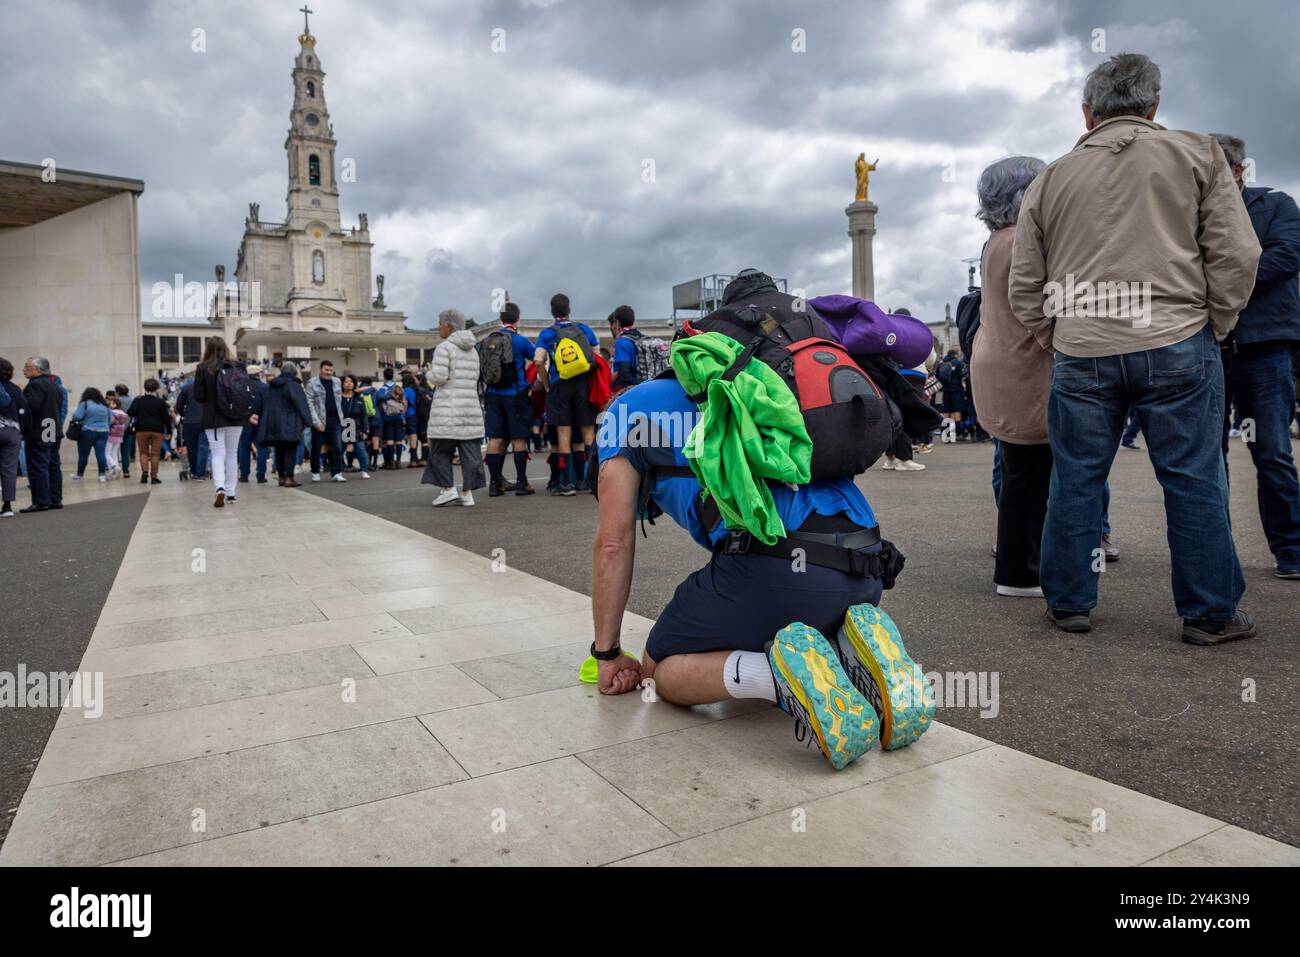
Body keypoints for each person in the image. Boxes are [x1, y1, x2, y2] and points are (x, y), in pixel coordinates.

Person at [591, 274, 929, 771]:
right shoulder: (776, 382)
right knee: (766, 607)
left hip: (778, 567)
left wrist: (606, 655)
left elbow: (613, 545)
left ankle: (778, 677)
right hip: (866, 562)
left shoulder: (629, 411)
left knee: (662, 672)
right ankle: (853, 658)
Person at [1008, 53, 1261, 644]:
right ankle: (1209, 612)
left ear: (1088, 112)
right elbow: (1237, 254)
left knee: (1075, 479)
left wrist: (1061, 333)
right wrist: (1213, 321)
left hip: (1084, 344)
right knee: (1195, 478)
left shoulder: (1051, 177)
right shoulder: (1197, 154)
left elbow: (1025, 283)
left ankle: (1070, 601)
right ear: (1153, 106)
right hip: (1175, 336)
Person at [1211, 133, 1300, 580]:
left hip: (1264, 348)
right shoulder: (1190, 212)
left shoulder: (1277, 204)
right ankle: (1216, 554)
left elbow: (1287, 258)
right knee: (1210, 458)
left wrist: (1220, 284)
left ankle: (1291, 550)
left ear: (1239, 170)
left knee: (1273, 454)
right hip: (1210, 347)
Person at [968, 156, 1051, 597]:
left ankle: (1019, 564)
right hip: (1025, 365)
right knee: (1032, 473)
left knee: (1020, 470)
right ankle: (1022, 572)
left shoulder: (995, 240)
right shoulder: (1024, 240)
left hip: (998, 362)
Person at [534, 293, 600, 495]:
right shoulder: (584, 329)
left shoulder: (547, 333)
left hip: (559, 384)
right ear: (569, 308)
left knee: (564, 432)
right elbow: (596, 357)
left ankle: (566, 483)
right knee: (588, 432)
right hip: (582, 384)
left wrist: (546, 384)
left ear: (552, 311)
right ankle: (589, 480)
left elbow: (538, 361)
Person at [424, 308, 486, 506]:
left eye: (440, 323)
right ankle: (467, 493)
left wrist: (428, 374)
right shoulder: (473, 350)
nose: (439, 327)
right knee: (470, 451)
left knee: (440, 449)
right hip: (469, 407)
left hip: (448, 407)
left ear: (449, 325)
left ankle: (448, 488)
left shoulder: (444, 348)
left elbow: (440, 377)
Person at [481, 302, 536, 496]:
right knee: (518, 438)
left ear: (501, 319)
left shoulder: (488, 340)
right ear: (517, 319)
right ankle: (522, 482)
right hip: (515, 394)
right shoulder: (520, 341)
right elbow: (538, 357)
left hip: (493, 394)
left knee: (495, 438)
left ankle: (495, 483)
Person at [191, 336, 250, 507]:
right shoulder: (237, 366)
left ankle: (220, 488)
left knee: (217, 453)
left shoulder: (203, 368)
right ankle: (231, 492)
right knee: (232, 453)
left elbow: (198, 396)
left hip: (213, 418)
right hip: (235, 416)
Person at [256, 362, 312, 488]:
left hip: (273, 422)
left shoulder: (272, 386)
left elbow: (266, 403)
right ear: (294, 373)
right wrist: (308, 421)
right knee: (290, 449)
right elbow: (301, 404)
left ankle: (281, 477)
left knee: (279, 449)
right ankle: (289, 477)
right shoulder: (294, 385)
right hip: (290, 422)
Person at [20, 357, 63, 513]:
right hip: (52, 428)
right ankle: (55, 499)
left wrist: (21, 399)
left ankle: (41, 501)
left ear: (38, 369)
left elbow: (32, 405)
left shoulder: (35, 385)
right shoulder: (54, 385)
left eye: (27, 366)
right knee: (52, 464)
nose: (24, 369)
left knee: (38, 465)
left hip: (40, 430)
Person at [305, 359, 347, 483]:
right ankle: (315, 472)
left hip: (335, 420)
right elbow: (309, 403)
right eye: (326, 370)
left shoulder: (337, 381)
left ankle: (337, 473)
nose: (328, 373)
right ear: (320, 370)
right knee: (316, 448)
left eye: (330, 370)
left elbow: (339, 401)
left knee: (338, 447)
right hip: (320, 420)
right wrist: (316, 422)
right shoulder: (312, 383)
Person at [127, 378, 171, 485]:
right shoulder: (161, 402)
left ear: (145, 388)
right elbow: (166, 418)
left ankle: (144, 473)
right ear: (156, 388)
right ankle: (154, 477)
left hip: (141, 429)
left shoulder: (138, 400)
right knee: (155, 454)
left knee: (143, 452)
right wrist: (169, 431)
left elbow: (130, 412)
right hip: (157, 430)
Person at [0, 358, 28, 517]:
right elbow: (25, 411)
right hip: (12, 432)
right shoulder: (15, 389)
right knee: (9, 469)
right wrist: (23, 431)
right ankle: (7, 506)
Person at [238, 364, 272, 484]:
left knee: (244, 449)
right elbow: (268, 406)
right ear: (258, 375)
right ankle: (261, 476)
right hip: (261, 422)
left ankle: (244, 475)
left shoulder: (241, 387)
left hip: (245, 422)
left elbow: (239, 406)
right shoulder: (265, 387)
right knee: (262, 448)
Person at [69, 387, 112, 482]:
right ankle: (102, 476)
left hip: (87, 431)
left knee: (83, 455)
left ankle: (79, 475)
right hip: (103, 432)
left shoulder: (85, 404)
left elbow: (77, 416)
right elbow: (110, 419)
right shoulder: (104, 405)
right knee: (101, 454)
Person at [338, 373, 372, 479]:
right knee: (339, 450)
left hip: (356, 427)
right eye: (346, 381)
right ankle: (337, 472)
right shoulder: (338, 398)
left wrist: (365, 430)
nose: (349, 384)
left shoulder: (358, 398)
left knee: (360, 449)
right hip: (342, 427)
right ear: (342, 384)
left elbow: (364, 415)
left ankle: (364, 470)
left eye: (351, 382)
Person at [174, 377, 208, 480]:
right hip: (205, 421)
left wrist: (184, 414)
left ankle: (194, 471)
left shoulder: (186, 388)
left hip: (189, 422)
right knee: (203, 448)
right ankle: (200, 473)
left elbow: (179, 405)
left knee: (192, 448)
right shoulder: (207, 387)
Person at [375, 368, 407, 469]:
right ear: (393, 376)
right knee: (398, 440)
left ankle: (391, 462)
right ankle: (398, 461)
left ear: (384, 377)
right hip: (399, 416)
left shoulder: (382, 389)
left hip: (387, 417)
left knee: (389, 440)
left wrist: (388, 396)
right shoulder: (398, 388)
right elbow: (404, 401)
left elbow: (379, 398)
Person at [104, 394, 128, 479]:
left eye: (112, 403)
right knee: (114, 453)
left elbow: (110, 422)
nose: (110, 405)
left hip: (111, 434)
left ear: (116, 404)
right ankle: (115, 473)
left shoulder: (111, 412)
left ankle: (114, 466)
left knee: (106, 453)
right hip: (119, 435)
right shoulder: (123, 413)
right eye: (110, 403)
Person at [114, 384, 134, 479]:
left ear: (117, 392)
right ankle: (126, 470)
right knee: (126, 450)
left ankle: (116, 469)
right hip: (129, 427)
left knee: (114, 450)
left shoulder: (117, 401)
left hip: (118, 427)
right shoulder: (132, 400)